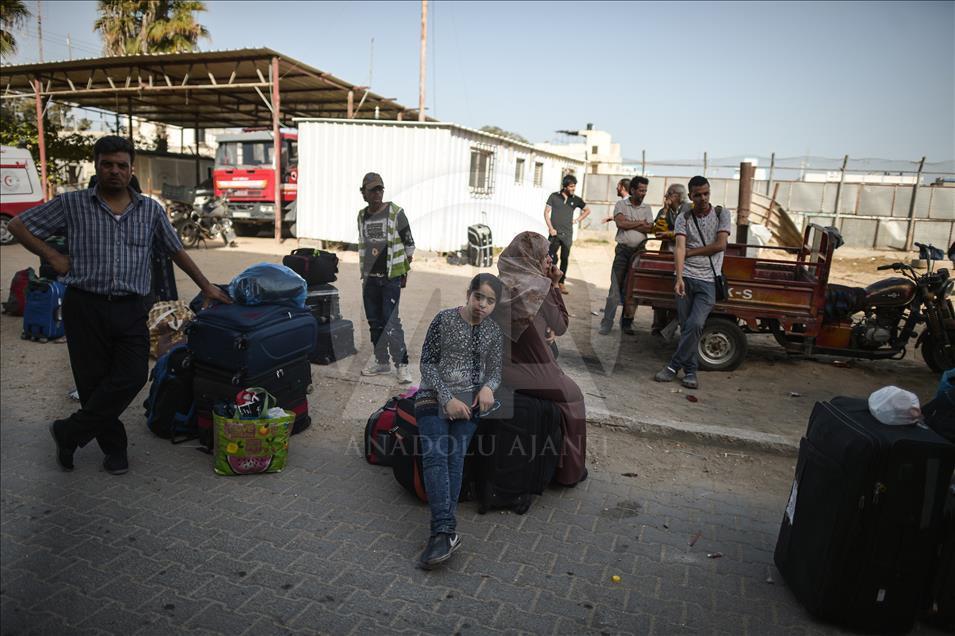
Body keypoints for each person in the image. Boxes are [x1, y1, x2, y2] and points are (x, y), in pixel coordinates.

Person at [8, 136, 231, 475]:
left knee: (131, 376)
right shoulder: (72, 204)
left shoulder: (151, 210)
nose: (115, 171)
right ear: (97, 166)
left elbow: (176, 250)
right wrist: (52, 255)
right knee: (93, 384)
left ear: (131, 170)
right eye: (107, 164)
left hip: (130, 308)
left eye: (122, 165)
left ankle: (68, 431)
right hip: (84, 306)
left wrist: (206, 286)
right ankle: (115, 450)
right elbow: (17, 225)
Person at [415, 273, 504, 569]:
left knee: (455, 458)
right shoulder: (444, 320)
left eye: (490, 301)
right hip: (433, 398)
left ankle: (444, 533)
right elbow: (426, 363)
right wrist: (446, 399)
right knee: (435, 456)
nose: (483, 305)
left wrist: (489, 387)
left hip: (470, 405)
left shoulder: (493, 332)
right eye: (479, 297)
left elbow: (495, 370)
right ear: (468, 294)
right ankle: (443, 531)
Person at [496, 232, 587, 486]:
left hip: (501, 367)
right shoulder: (539, 287)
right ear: (531, 256)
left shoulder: (500, 282)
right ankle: (569, 472)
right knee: (573, 396)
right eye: (545, 254)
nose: (550, 259)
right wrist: (555, 283)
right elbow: (561, 325)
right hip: (531, 369)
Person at [654, 176, 731, 389]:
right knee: (688, 327)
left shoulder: (721, 214)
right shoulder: (684, 217)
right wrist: (678, 278)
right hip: (686, 277)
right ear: (691, 196)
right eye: (698, 194)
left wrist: (691, 252)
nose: (703, 198)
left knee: (696, 324)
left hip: (708, 280)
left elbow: (721, 245)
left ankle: (672, 366)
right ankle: (690, 372)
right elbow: (679, 247)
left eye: (706, 193)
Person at [356, 172, 415, 384]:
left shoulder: (396, 213)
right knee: (374, 322)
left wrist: (404, 272)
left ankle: (402, 365)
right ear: (363, 193)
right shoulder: (362, 216)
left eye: (380, 189)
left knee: (391, 322)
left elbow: (409, 246)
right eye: (372, 190)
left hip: (390, 278)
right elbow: (364, 246)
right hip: (370, 278)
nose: (377, 193)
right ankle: (382, 362)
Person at [599, 176, 654, 335]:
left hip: (639, 253)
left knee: (631, 290)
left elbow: (650, 228)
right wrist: (639, 223)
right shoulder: (621, 204)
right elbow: (620, 223)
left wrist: (632, 223)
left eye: (645, 190)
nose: (643, 193)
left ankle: (627, 324)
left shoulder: (647, 208)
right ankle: (606, 324)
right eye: (640, 190)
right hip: (623, 252)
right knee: (615, 290)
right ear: (632, 190)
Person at [650, 184, 687, 337]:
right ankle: (658, 325)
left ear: (677, 195)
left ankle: (670, 327)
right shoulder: (664, 210)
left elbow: (685, 231)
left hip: (682, 253)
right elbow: (658, 230)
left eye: (669, 194)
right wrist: (665, 211)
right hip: (666, 252)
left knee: (675, 292)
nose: (666, 196)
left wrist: (670, 234)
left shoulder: (687, 210)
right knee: (660, 287)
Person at [544, 175, 590, 295]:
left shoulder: (576, 199)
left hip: (567, 234)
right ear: (565, 186)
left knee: (565, 258)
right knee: (551, 257)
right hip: (554, 233)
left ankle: (561, 283)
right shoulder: (554, 196)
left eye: (574, 186)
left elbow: (587, 210)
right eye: (571, 186)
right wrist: (550, 228)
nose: (573, 189)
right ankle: (548, 281)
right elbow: (546, 212)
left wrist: (577, 220)